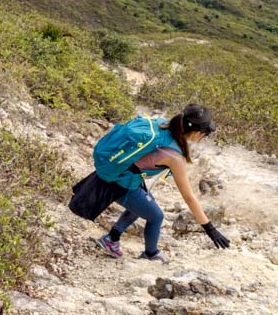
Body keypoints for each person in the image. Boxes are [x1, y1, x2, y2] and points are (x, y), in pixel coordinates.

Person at [96, 104, 230, 263]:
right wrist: (210, 229)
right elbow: (189, 197)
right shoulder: (175, 157)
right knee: (156, 216)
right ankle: (151, 254)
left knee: (145, 204)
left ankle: (111, 238)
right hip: (121, 182)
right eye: (205, 133)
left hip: (121, 173)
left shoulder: (166, 125)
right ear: (197, 133)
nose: (204, 137)